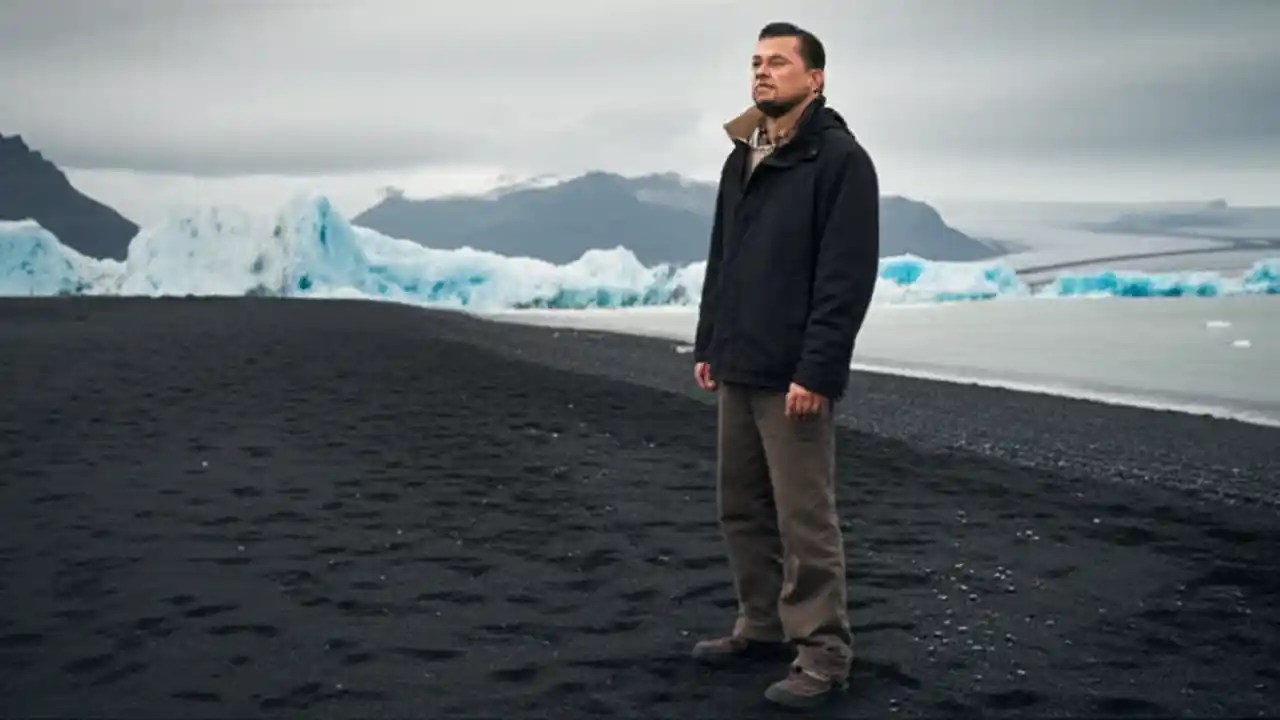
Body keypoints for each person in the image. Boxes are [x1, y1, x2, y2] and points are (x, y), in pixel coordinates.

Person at [690, 21, 880, 709]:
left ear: (815, 77)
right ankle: (763, 625)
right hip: (739, 360)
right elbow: (724, 258)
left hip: (794, 372)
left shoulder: (838, 160)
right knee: (740, 507)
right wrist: (709, 340)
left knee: (805, 519)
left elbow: (845, 277)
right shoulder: (743, 154)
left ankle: (824, 654)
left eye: (777, 62)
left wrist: (818, 371)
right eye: (755, 62)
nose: (762, 72)